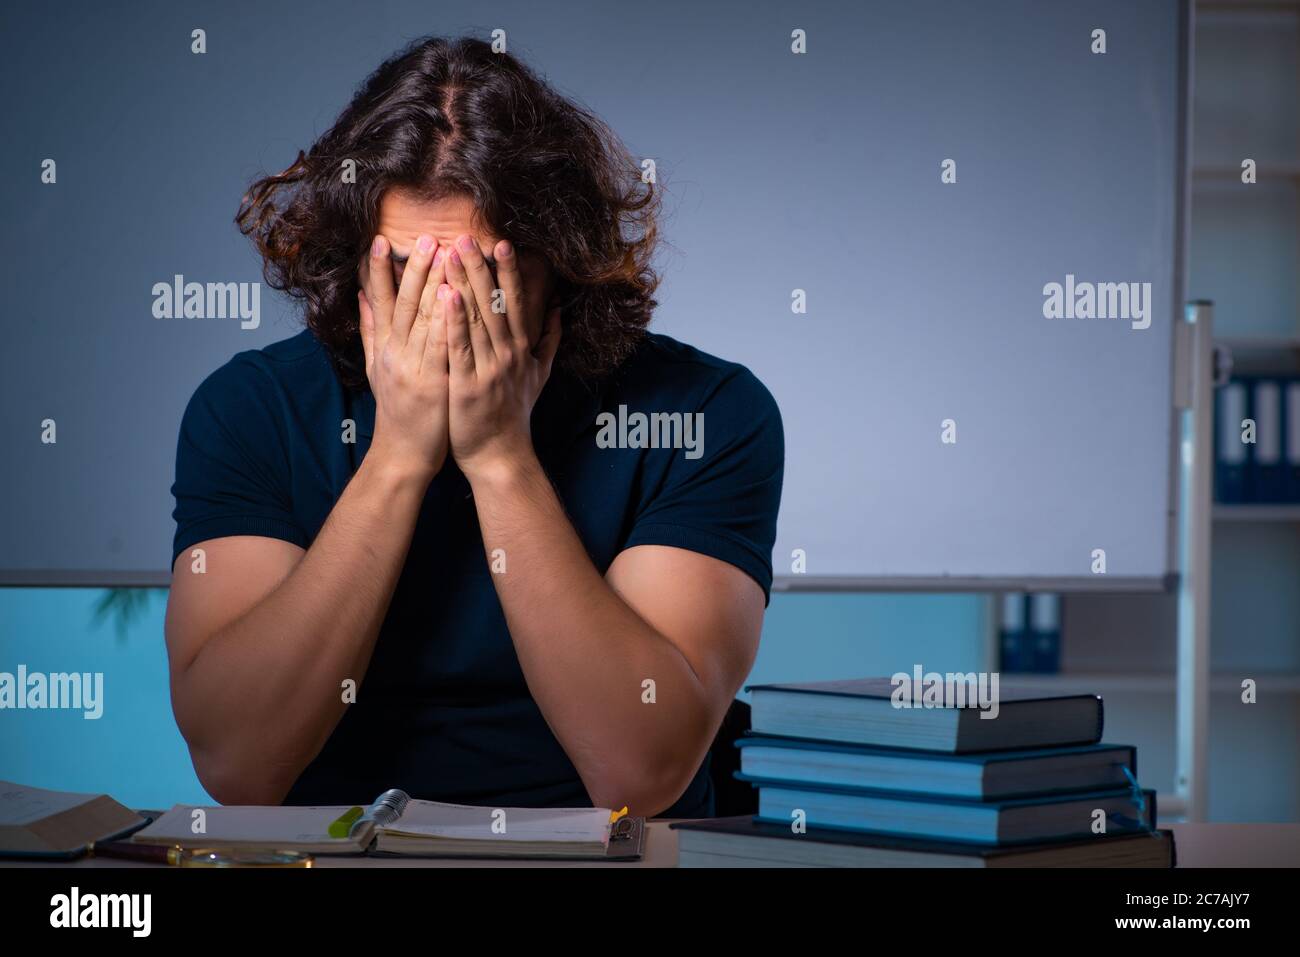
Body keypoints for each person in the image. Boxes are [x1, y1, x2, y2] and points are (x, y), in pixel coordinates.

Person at [164, 36, 784, 818]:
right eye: (406, 273)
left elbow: (638, 773)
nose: (443, 308)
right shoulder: (252, 408)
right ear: (355, 265)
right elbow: (238, 763)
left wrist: (499, 456)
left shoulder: (702, 412)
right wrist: (396, 458)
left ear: (561, 260)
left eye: (479, 273)